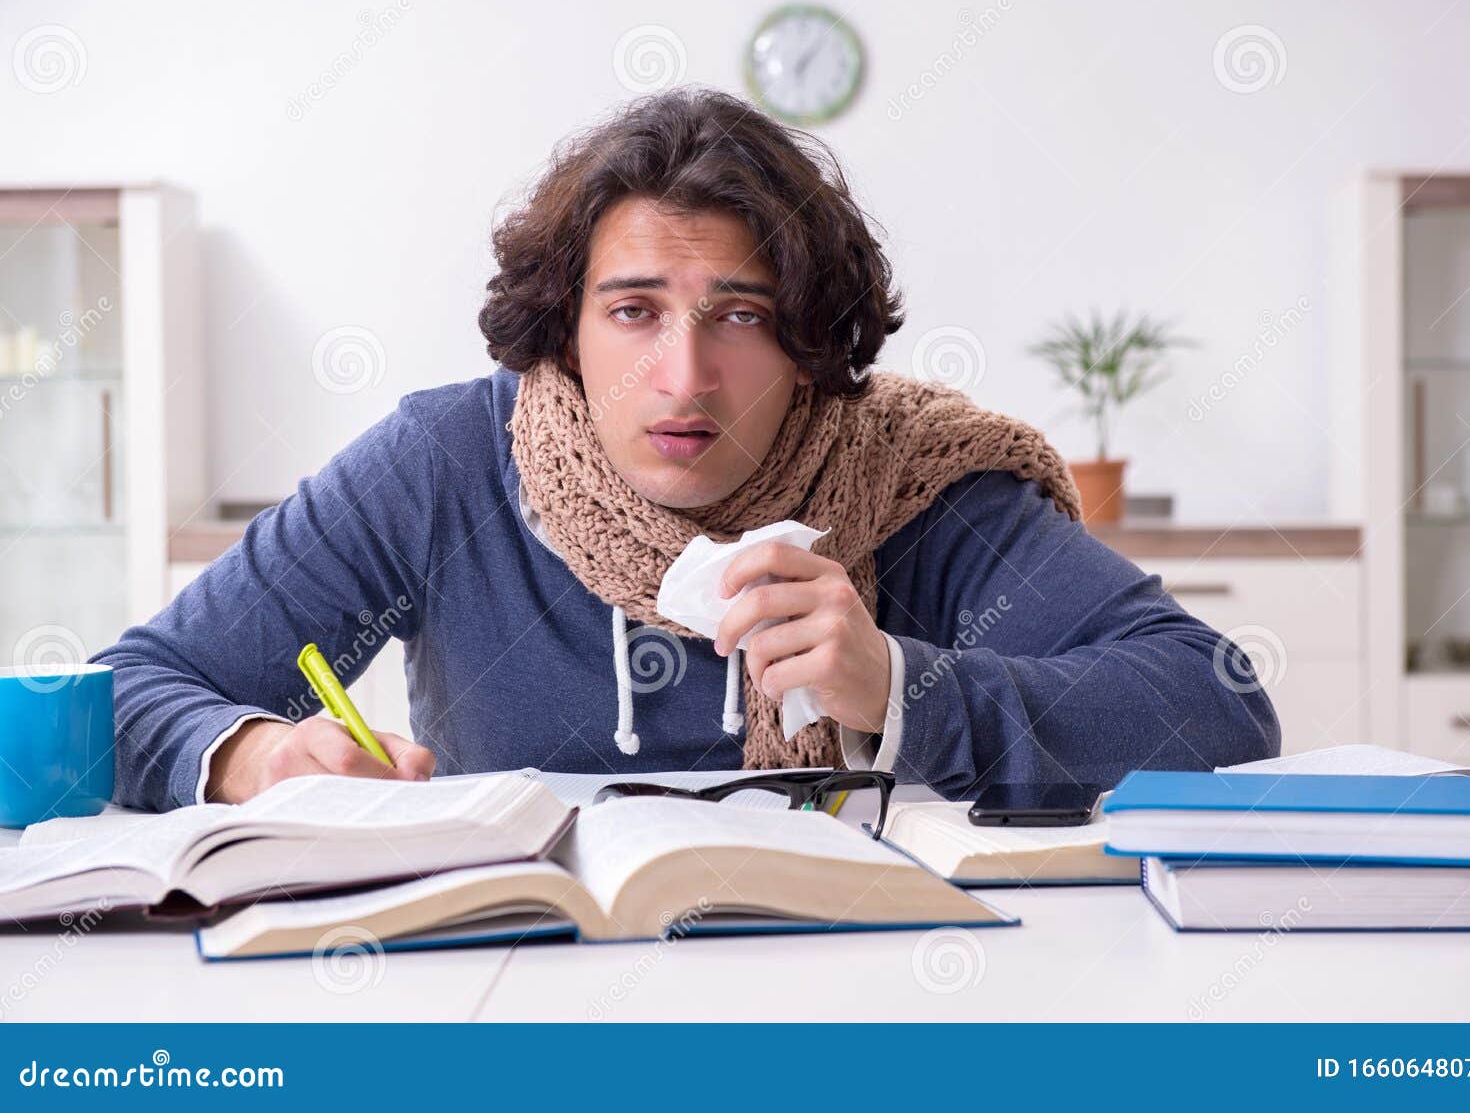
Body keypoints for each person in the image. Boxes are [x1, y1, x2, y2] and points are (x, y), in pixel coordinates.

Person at [92, 87, 1279, 810]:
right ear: (562, 326)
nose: (686, 375)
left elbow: (1215, 705)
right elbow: (130, 692)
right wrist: (250, 755)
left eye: (742, 316)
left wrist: (900, 686)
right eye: (634, 310)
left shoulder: (908, 480)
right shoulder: (446, 464)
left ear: (811, 340)